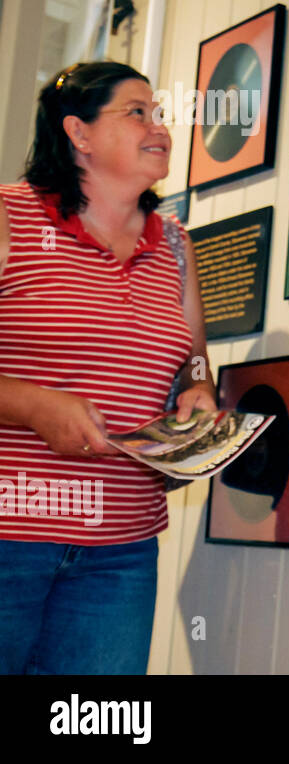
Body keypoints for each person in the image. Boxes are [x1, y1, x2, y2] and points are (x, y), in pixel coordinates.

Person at [0, 61, 216, 675]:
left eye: (161, 114)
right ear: (79, 133)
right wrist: (36, 406)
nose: (161, 127)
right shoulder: (8, 217)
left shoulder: (175, 244)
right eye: (138, 111)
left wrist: (196, 390)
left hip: (121, 553)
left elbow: (194, 358)